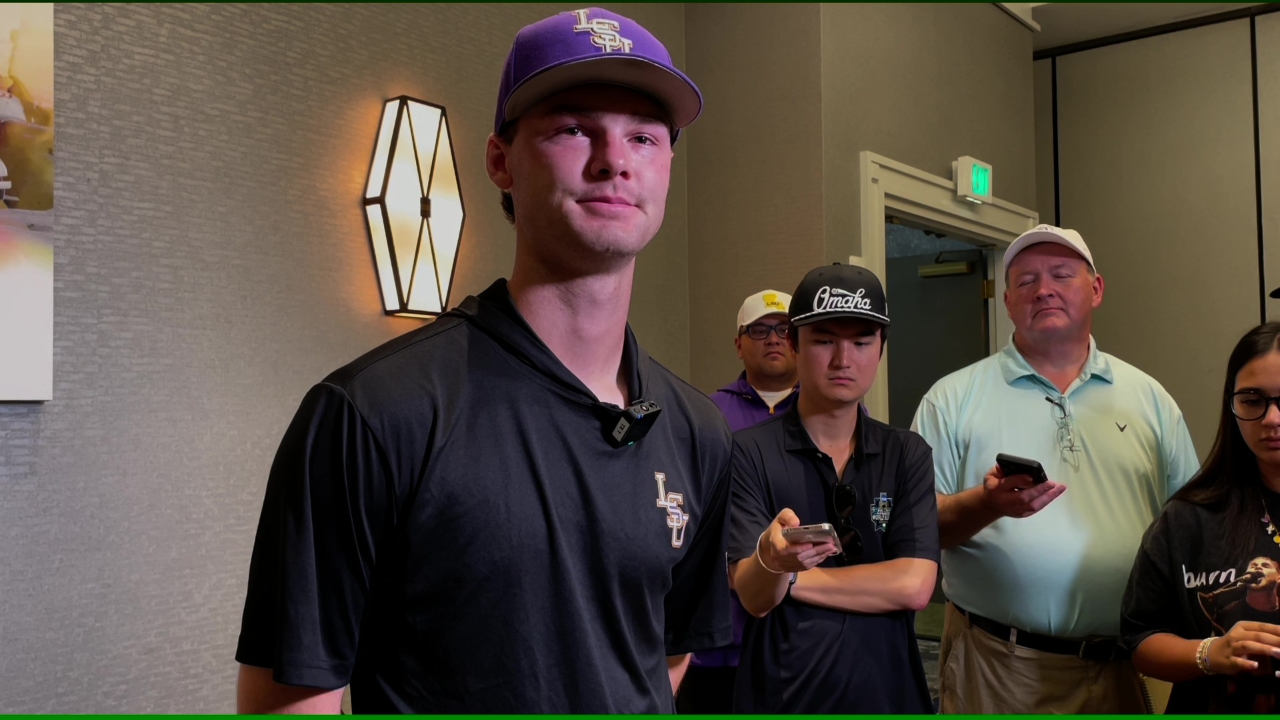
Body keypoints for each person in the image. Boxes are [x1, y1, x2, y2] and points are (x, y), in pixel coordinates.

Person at [234, 8, 732, 714]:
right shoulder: (375, 414)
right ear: (500, 159)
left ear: (668, 167)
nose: (614, 159)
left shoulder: (696, 430)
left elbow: (667, 654)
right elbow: (291, 698)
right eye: (571, 128)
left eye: (643, 137)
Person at [911, 224, 1200, 713]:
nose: (1043, 289)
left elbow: (1192, 524)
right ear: (1006, 302)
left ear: (1096, 289)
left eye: (1061, 275)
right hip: (999, 666)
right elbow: (914, 529)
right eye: (1025, 281)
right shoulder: (952, 399)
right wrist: (986, 505)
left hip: (1123, 664)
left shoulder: (1150, 399)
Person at [728, 263, 939, 713]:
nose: (844, 360)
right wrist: (770, 562)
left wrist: (791, 576)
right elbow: (753, 596)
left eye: (861, 343)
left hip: (889, 693)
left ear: (880, 349)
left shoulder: (907, 454)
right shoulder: (747, 453)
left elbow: (914, 586)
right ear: (793, 344)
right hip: (783, 693)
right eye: (824, 341)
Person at [1121, 322, 1280, 713]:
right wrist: (1210, 653)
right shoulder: (1190, 517)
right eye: (1252, 400)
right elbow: (1140, 640)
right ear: (1232, 405)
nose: (1272, 418)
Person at [679, 291, 797, 714]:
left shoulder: (825, 414)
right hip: (723, 635)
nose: (773, 339)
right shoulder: (706, 414)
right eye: (759, 330)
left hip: (802, 627)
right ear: (738, 343)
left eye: (784, 330)